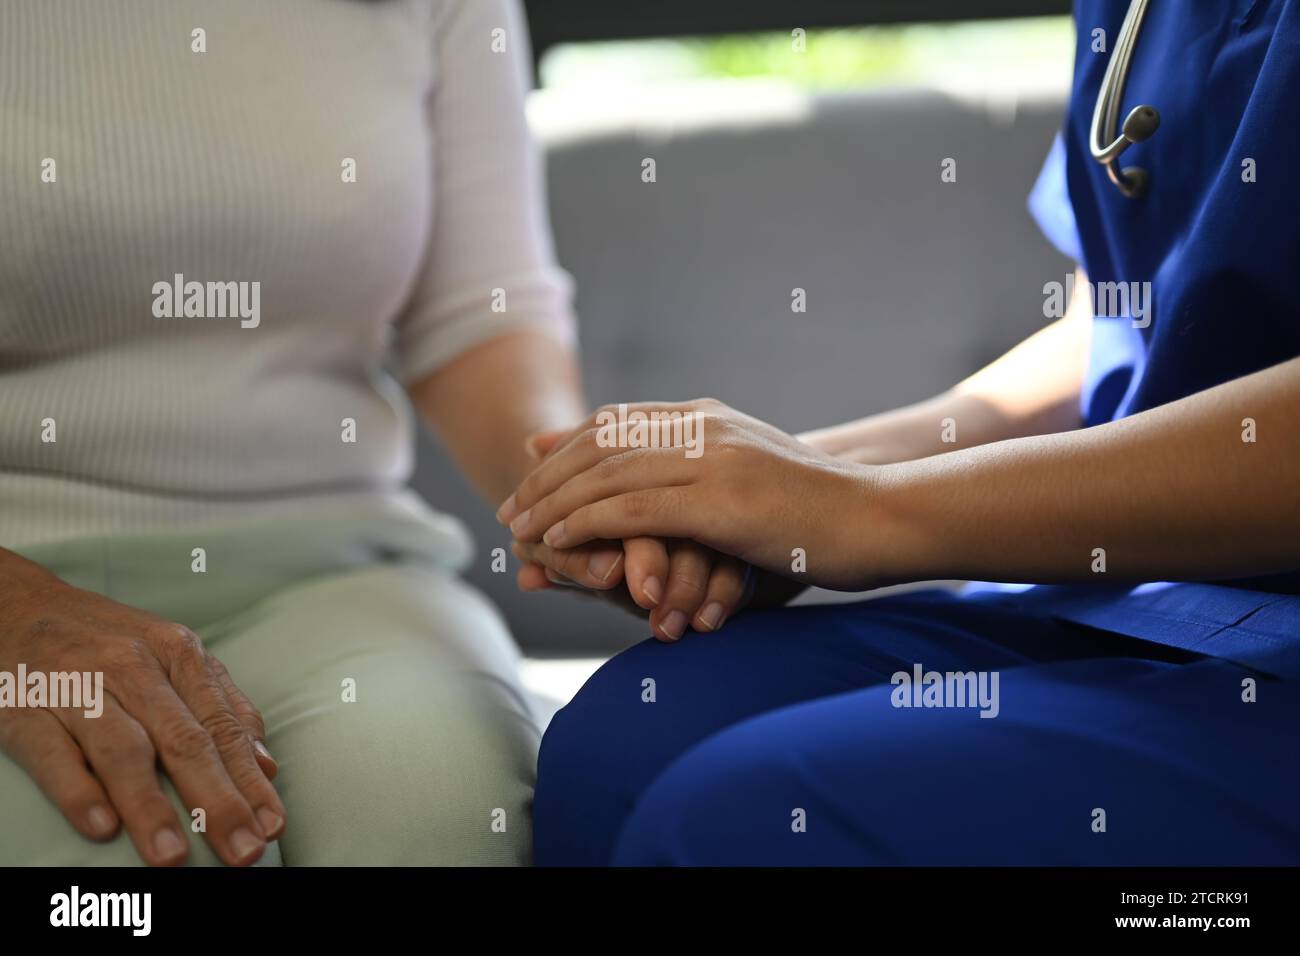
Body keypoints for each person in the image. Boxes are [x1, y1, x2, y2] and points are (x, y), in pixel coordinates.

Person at [513, 0, 1300, 865]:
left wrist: (869, 511)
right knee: (620, 746)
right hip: (1143, 597)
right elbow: (1119, 329)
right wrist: (780, 491)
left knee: (741, 824)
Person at [0, 0, 587, 866]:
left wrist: (585, 492)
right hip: (21, 583)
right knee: (139, 861)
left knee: (438, 819)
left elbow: (476, 315)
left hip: (335, 570)